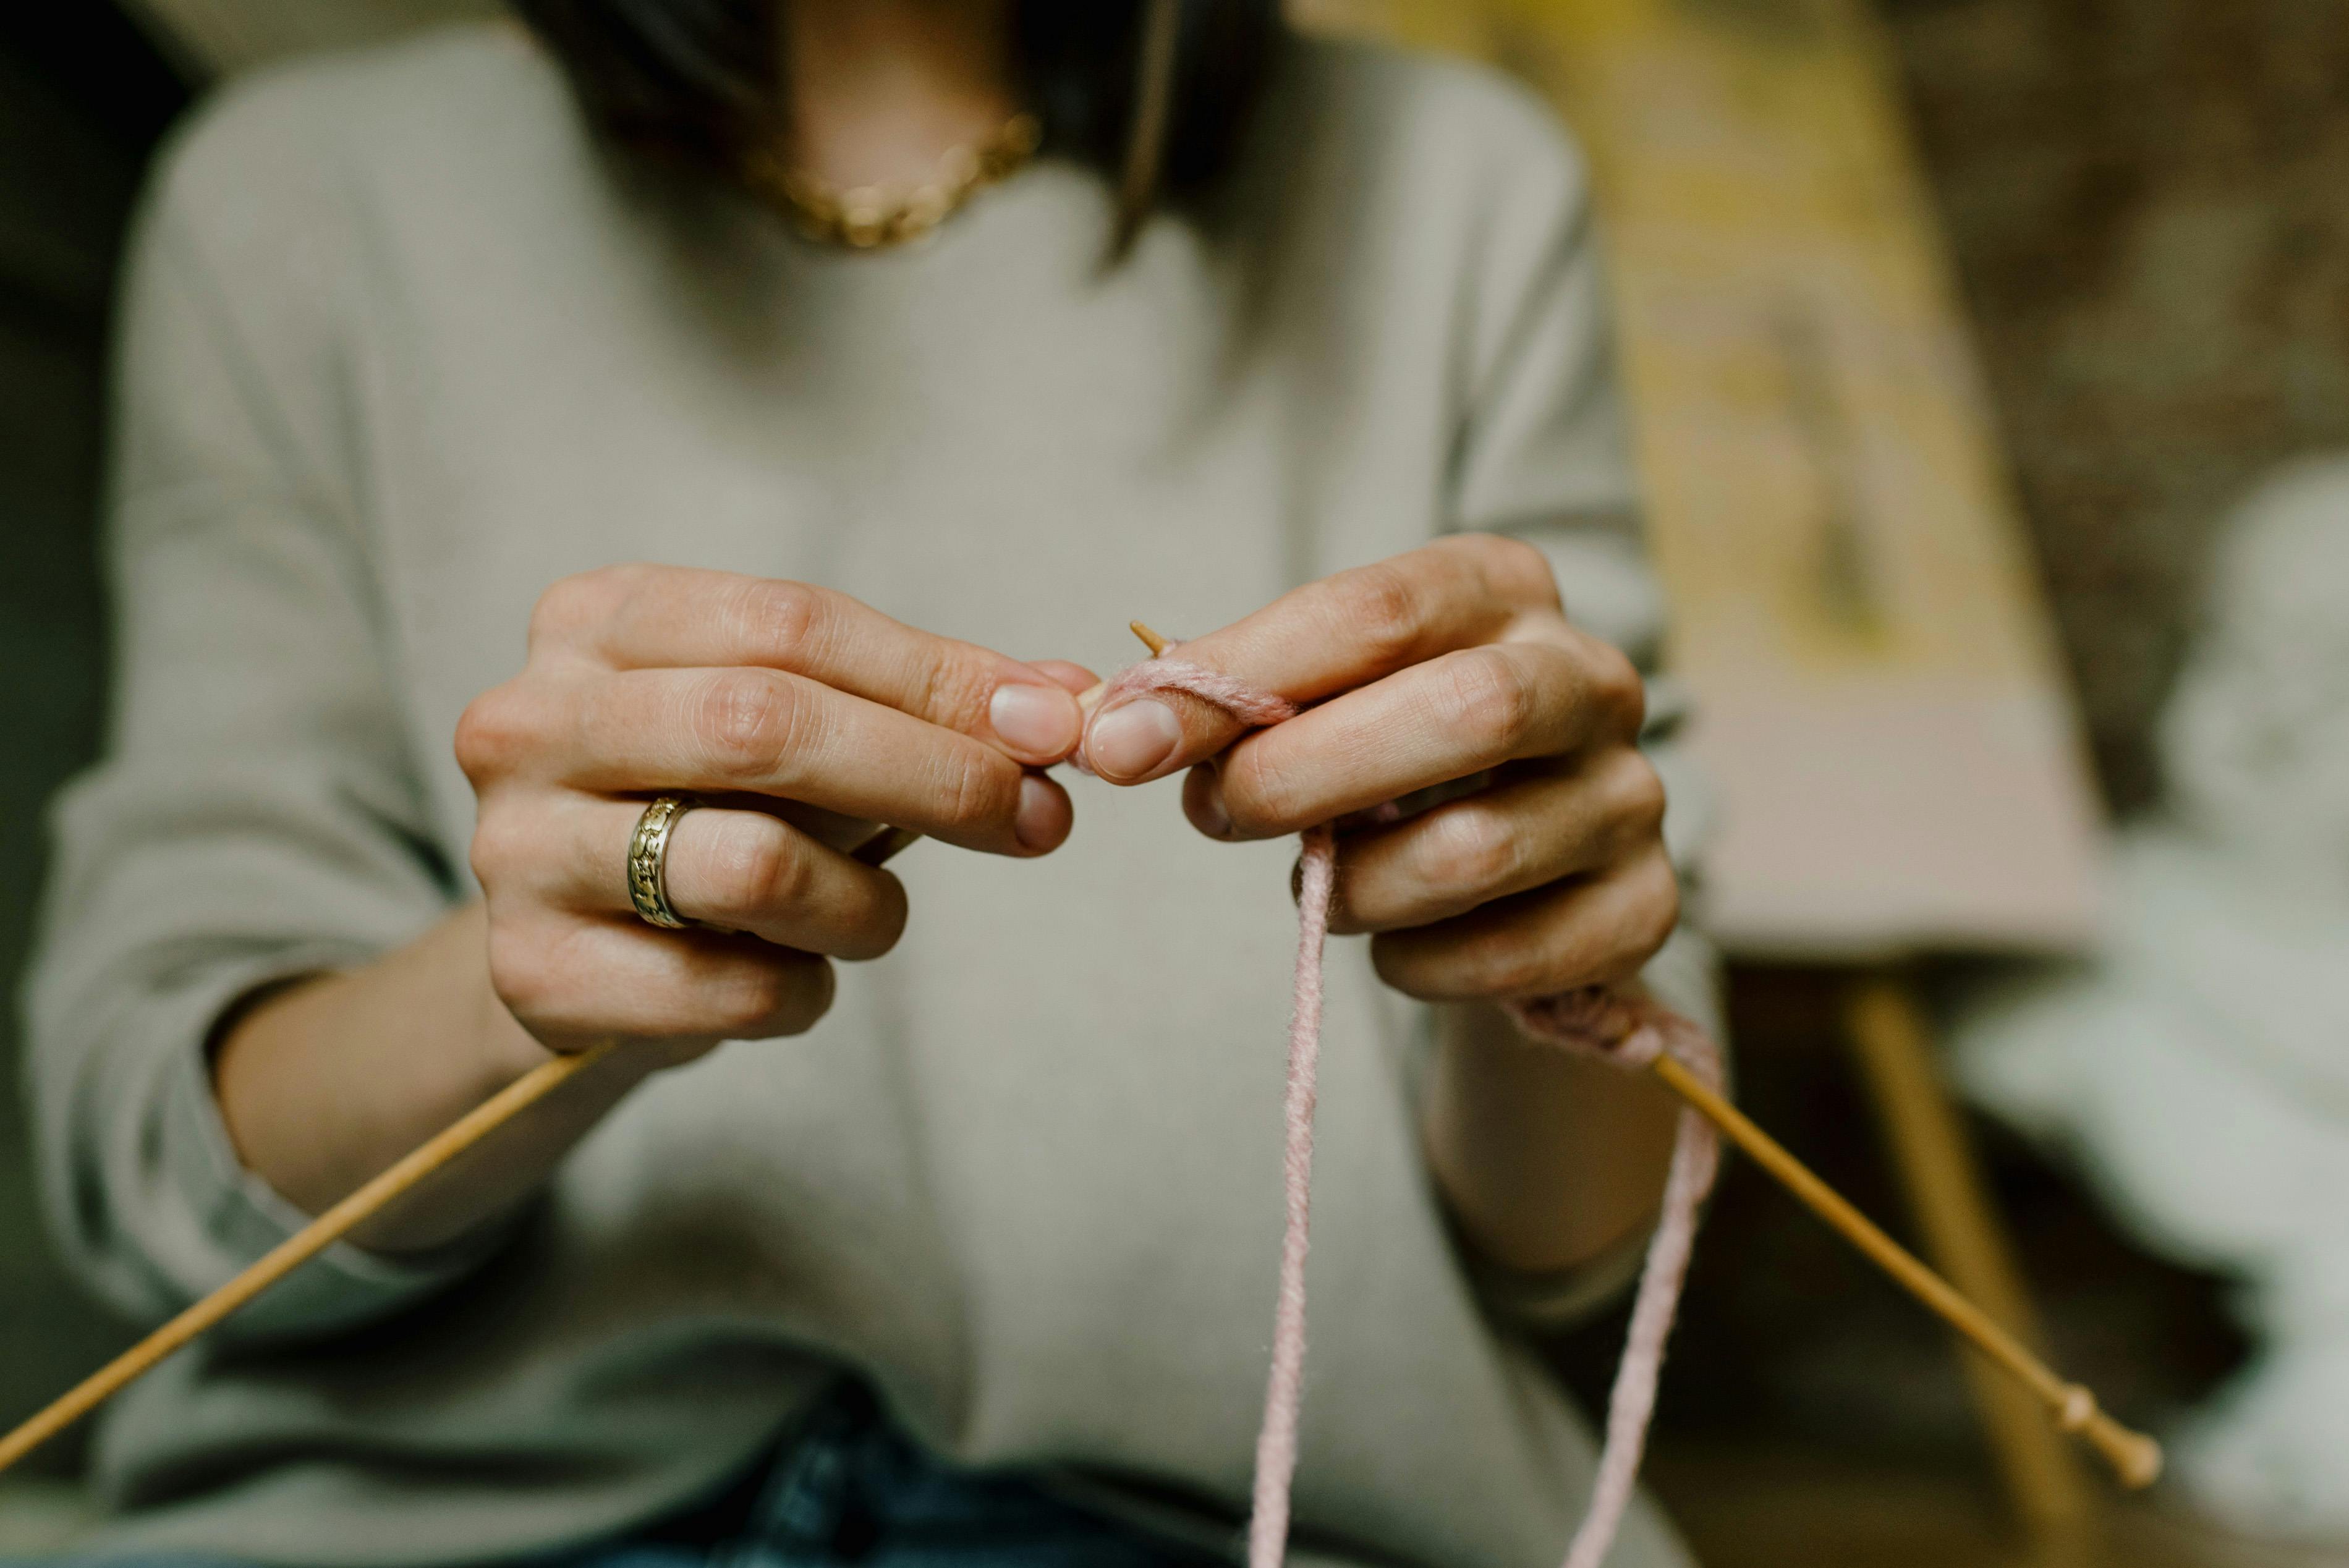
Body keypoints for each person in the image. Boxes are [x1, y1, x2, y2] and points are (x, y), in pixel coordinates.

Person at [23, 2, 1712, 1565]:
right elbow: (164, 1167)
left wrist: (1541, 923)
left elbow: (1580, 1238)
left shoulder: (1451, 192)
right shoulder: (301, 202)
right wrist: (538, 980)